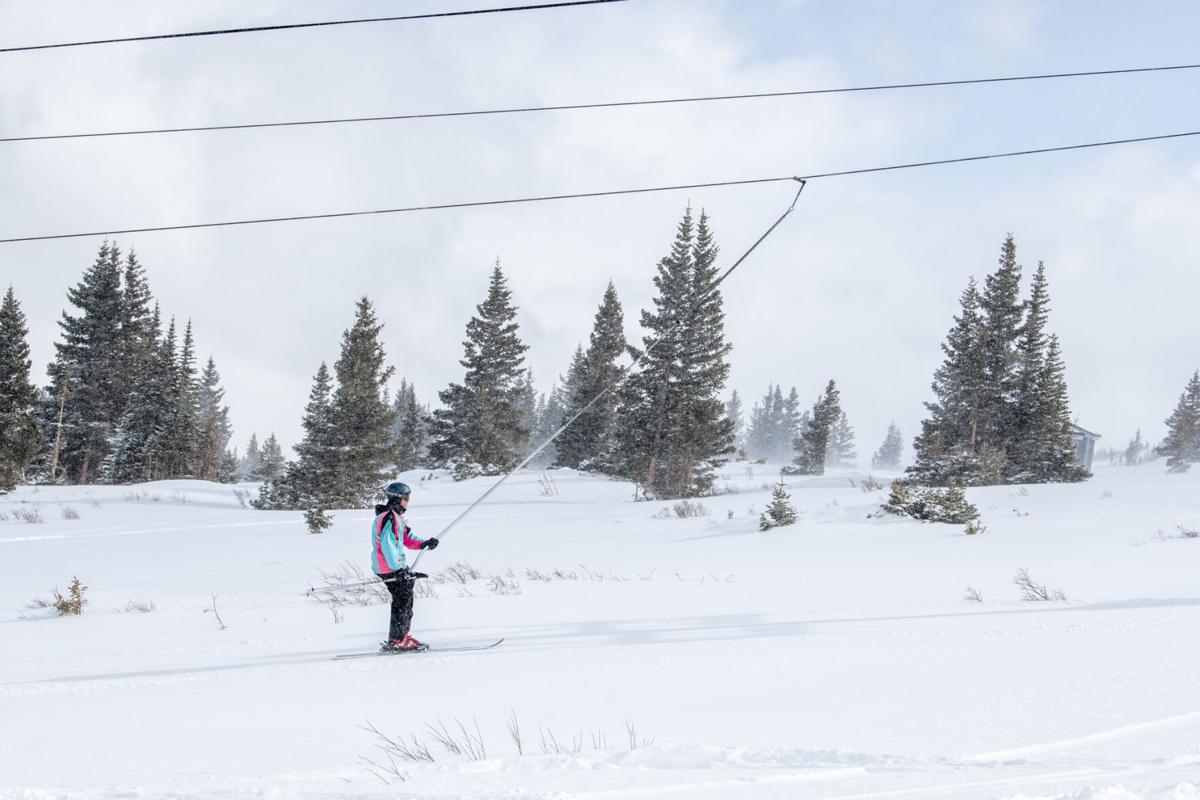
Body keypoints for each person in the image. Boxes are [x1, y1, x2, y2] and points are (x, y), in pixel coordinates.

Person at [371, 481, 439, 651]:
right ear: (397, 498)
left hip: (393, 566)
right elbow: (387, 545)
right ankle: (398, 639)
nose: (408, 501)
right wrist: (398, 569)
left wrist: (424, 543)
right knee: (402, 601)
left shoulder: (396, 517)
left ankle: (400, 637)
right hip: (389, 567)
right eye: (406, 498)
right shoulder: (389, 517)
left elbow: (407, 537)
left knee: (404, 599)